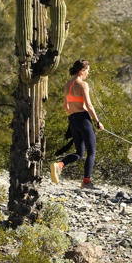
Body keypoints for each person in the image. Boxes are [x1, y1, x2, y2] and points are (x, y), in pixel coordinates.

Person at [50, 59, 104, 189]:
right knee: (91, 152)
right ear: (82, 70)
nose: (88, 74)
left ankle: (59, 165)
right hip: (84, 119)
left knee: (80, 153)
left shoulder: (68, 84)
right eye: (87, 71)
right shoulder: (83, 84)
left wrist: (73, 116)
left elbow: (65, 105)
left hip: (72, 119)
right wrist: (97, 122)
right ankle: (86, 182)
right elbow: (89, 105)